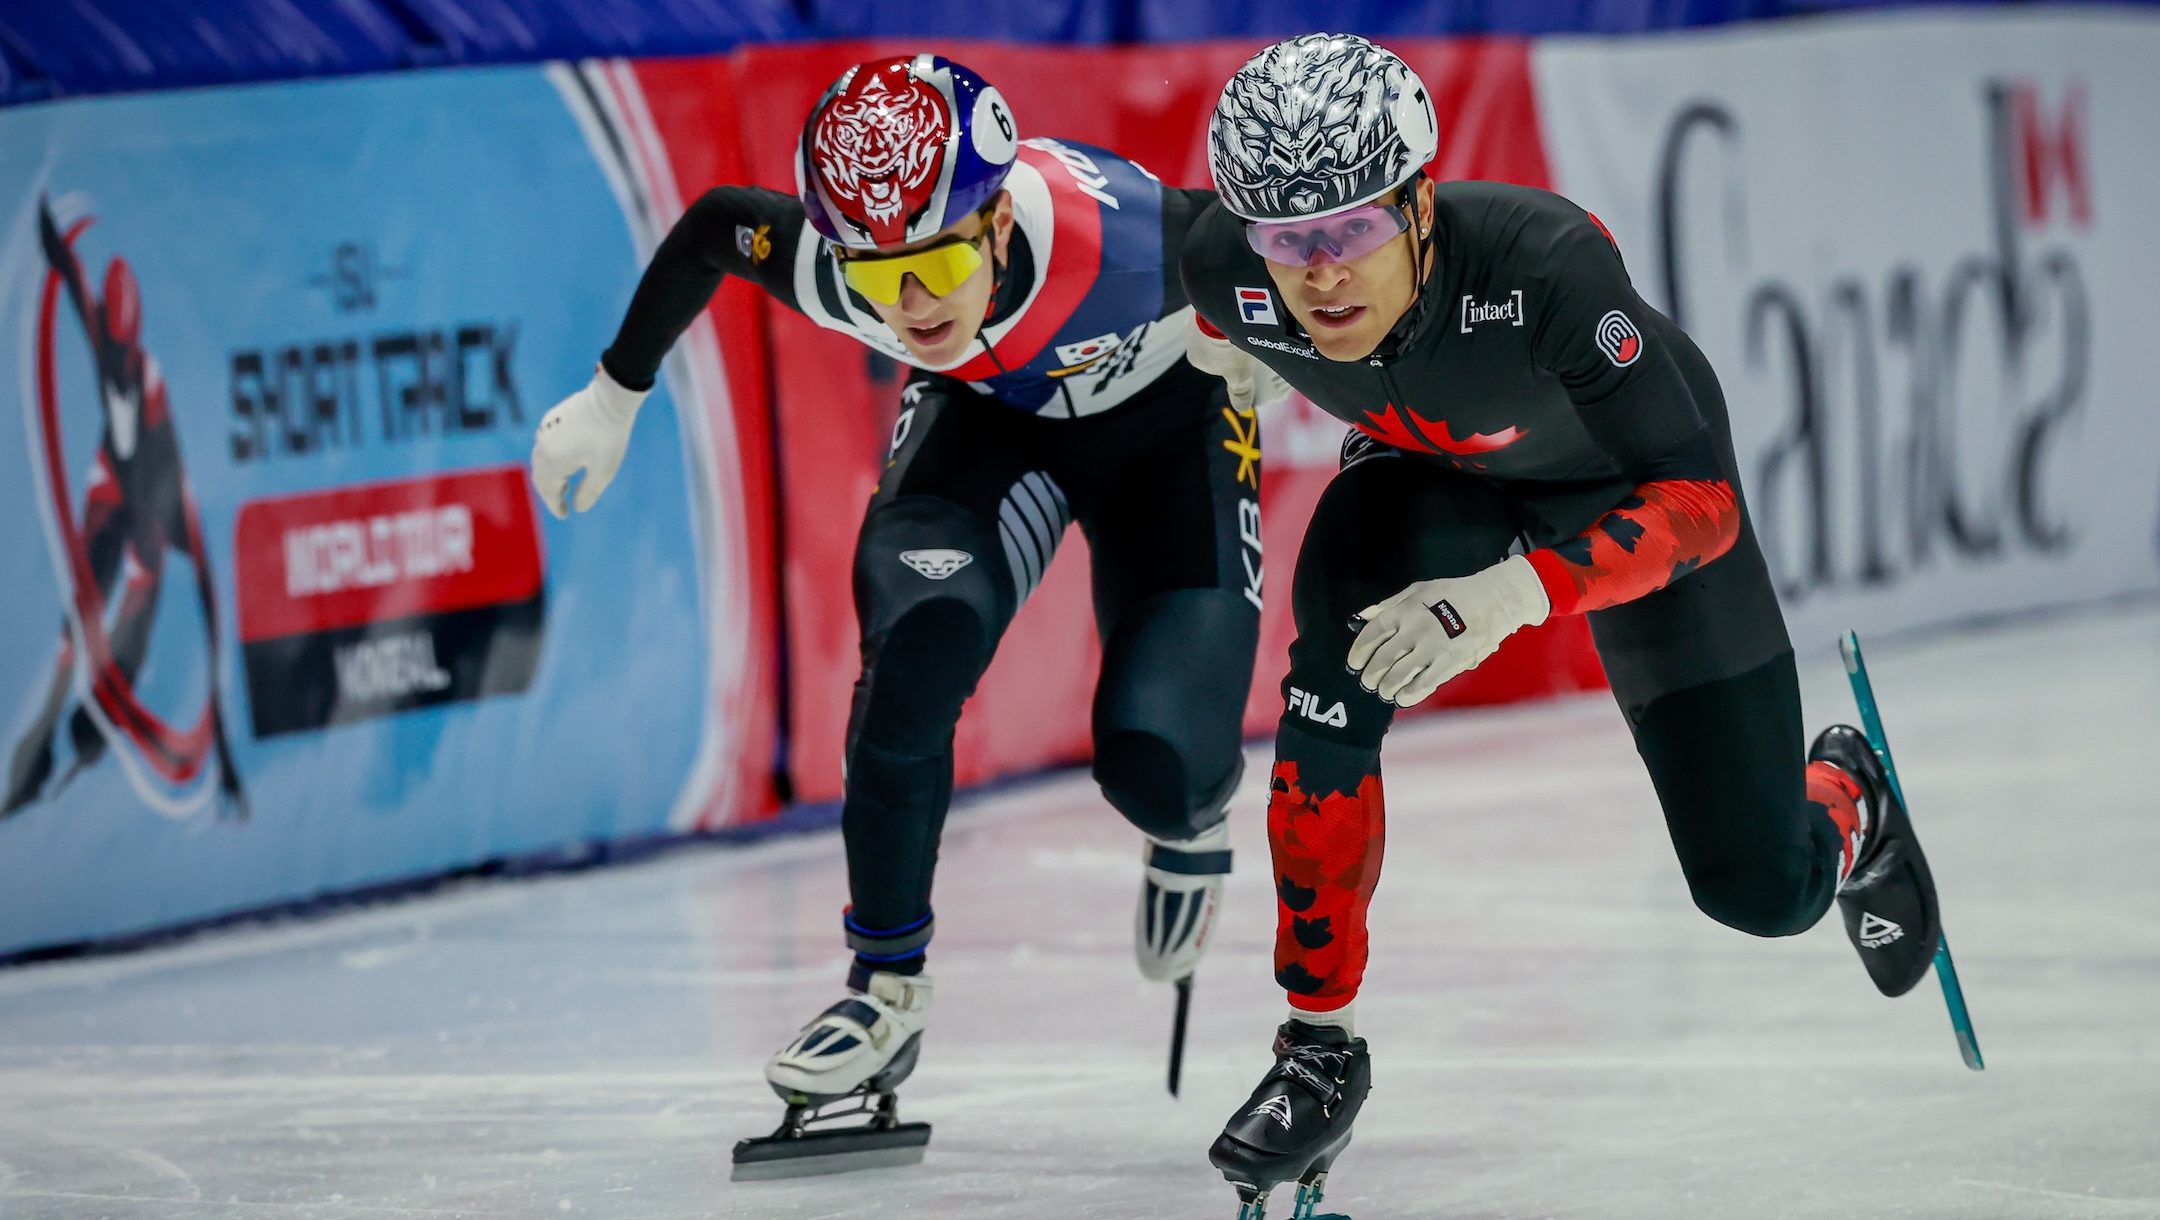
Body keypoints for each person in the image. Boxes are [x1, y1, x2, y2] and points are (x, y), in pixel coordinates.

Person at [1176, 34, 1944, 1219]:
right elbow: (1045, 229)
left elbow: (1703, 508)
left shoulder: (1543, 262)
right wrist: (1223, 345)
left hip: (1624, 495)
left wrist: (1515, 591)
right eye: (1286, 240)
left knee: (1760, 890)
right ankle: (1316, 1048)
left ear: (1421, 205)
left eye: (1350, 232)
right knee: (1328, 690)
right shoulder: (1224, 263)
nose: (1319, 274)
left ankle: (1852, 801)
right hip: (1428, 476)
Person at [529, 54, 1265, 1176]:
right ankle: (884, 989)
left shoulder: (1130, 243)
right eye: (875, 283)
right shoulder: (842, 260)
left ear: (999, 227)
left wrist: (1271, 342)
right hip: (992, 424)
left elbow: (1301, 251)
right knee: (916, 646)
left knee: (1162, 761)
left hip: (1171, 427)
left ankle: (1192, 816)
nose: (908, 306)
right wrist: (613, 394)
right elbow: (721, 227)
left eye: (932, 267)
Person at [7, 197, 249, 822]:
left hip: (144, 508)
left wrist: (222, 758)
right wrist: (44, 217)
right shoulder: (104, 341)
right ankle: (31, 765)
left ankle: (84, 736)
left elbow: (208, 603)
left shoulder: (159, 425)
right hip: (111, 498)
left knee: (130, 630)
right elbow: (75, 277)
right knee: (74, 631)